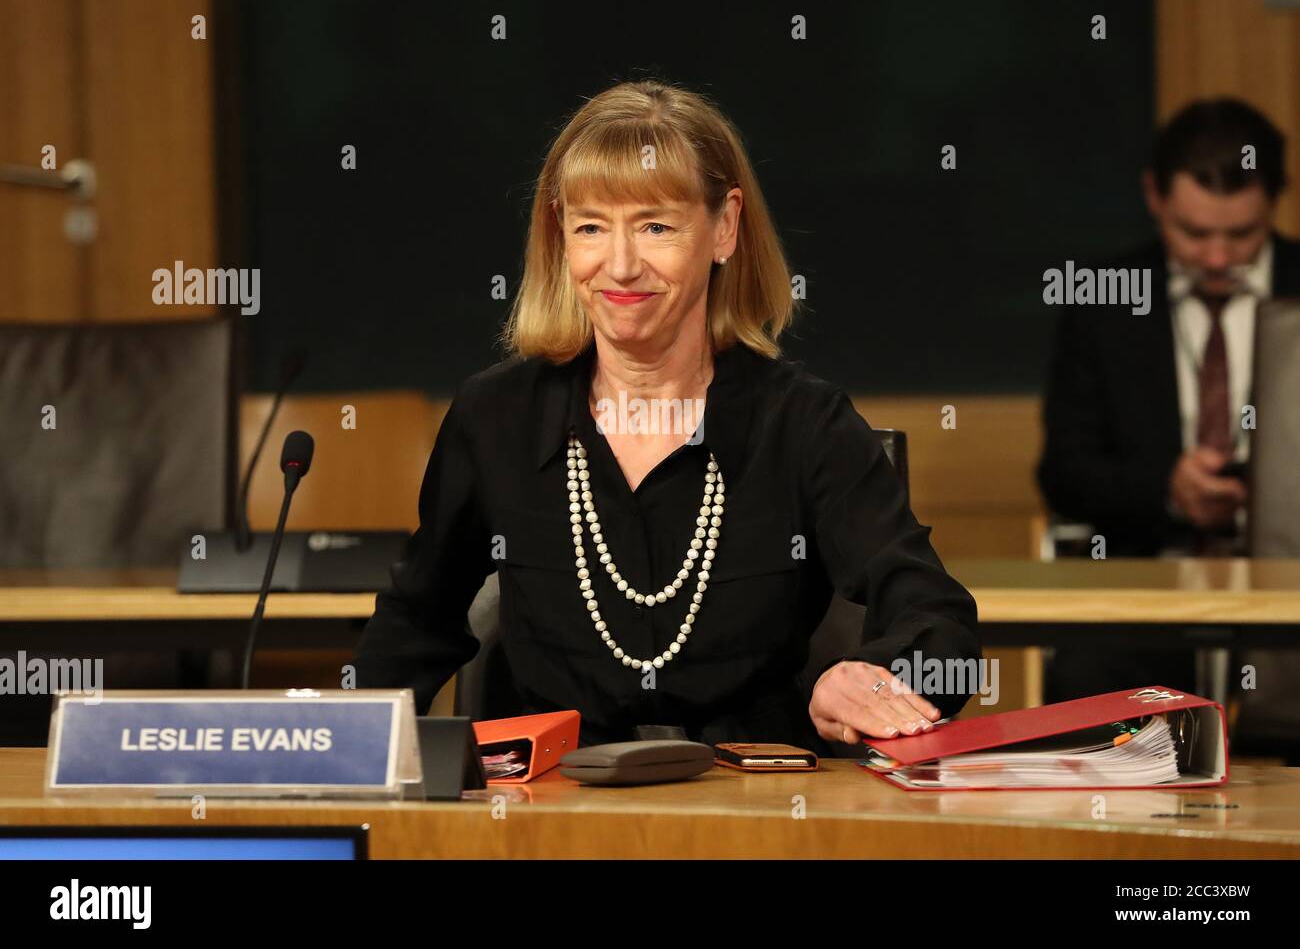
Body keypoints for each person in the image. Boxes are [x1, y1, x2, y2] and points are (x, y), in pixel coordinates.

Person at [352, 80, 979, 755]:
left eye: (655, 226)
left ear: (724, 227)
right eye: (591, 227)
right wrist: (335, 751)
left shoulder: (803, 423)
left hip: (756, 800)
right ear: (560, 236)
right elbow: (415, 625)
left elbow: (939, 621)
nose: (621, 266)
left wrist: (875, 679)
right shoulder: (496, 418)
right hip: (553, 801)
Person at [1038, 97, 1300, 702]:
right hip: (1149, 578)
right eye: (1194, 233)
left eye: (1242, 234)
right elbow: (1065, 474)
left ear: (1274, 202)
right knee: (1086, 679)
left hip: (1290, 582)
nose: (1218, 258)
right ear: (1154, 196)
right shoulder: (1102, 302)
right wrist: (1168, 490)